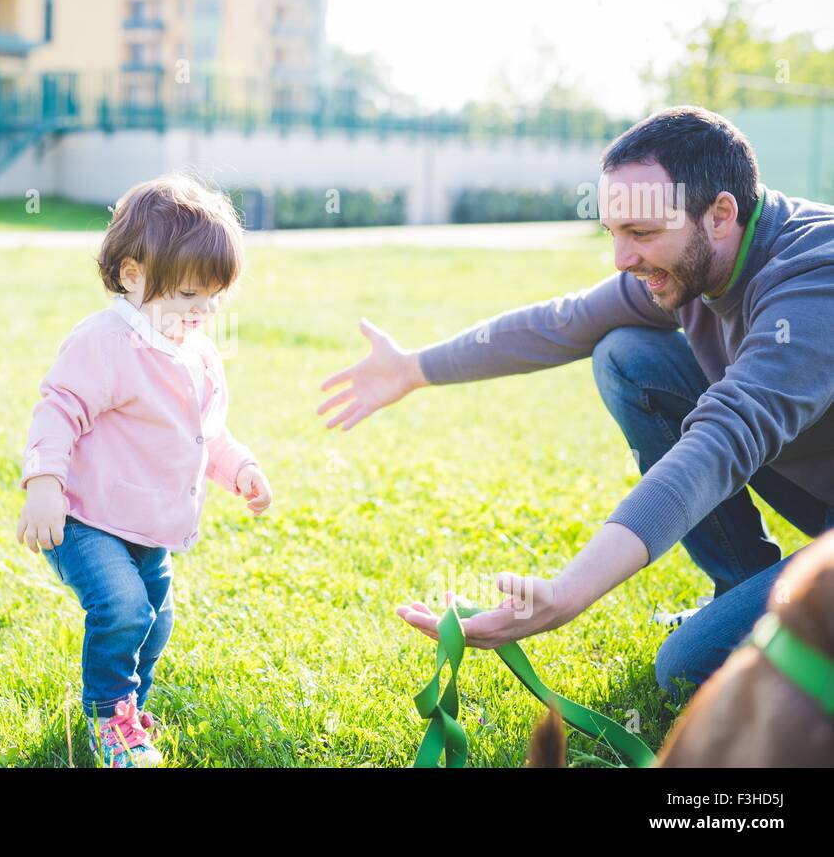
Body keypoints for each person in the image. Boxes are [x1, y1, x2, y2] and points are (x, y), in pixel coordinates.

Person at [318, 106, 834, 699]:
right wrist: (413, 368)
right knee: (626, 354)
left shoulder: (814, 275)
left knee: (691, 666)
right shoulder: (696, 262)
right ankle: (741, 586)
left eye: (641, 234)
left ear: (720, 214)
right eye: (614, 233)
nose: (622, 259)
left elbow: (723, 440)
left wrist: (567, 593)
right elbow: (565, 323)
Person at [17, 175, 273, 766]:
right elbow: (58, 410)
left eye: (212, 297)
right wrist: (45, 484)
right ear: (132, 275)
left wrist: (241, 470)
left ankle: (131, 710)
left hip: (148, 528)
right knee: (124, 608)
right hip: (83, 518)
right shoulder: (107, 340)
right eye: (187, 295)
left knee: (155, 621)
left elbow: (206, 434)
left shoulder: (199, 354)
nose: (202, 311)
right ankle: (109, 720)